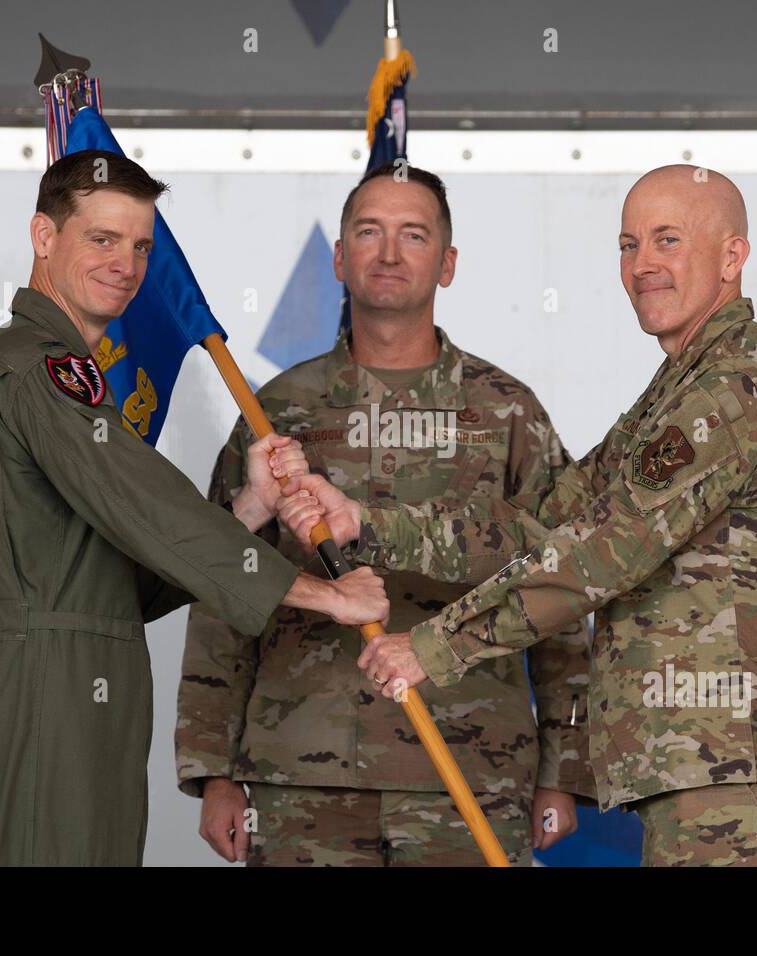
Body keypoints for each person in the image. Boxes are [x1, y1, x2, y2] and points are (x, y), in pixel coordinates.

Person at [279, 164, 757, 866]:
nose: (642, 264)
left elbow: (599, 554)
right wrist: (363, 522)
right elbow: (540, 524)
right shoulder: (675, 392)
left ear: (732, 257)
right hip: (707, 767)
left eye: (667, 241)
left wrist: (433, 647)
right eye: (628, 244)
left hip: (748, 769)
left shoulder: (739, 384)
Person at [0, 149, 388, 866]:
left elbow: (119, 581)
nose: (128, 264)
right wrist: (327, 596)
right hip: (44, 700)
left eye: (141, 246)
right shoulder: (38, 370)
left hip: (77, 695)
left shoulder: (66, 373)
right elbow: (148, 504)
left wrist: (249, 507)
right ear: (44, 237)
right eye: (102, 239)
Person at [176, 164, 594, 867]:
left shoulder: (506, 412)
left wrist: (565, 772)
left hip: (470, 773)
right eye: (368, 232)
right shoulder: (277, 411)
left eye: (414, 235)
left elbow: (559, 588)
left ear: (448, 263)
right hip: (300, 774)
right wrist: (214, 769)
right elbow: (226, 582)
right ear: (339, 258)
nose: (390, 254)